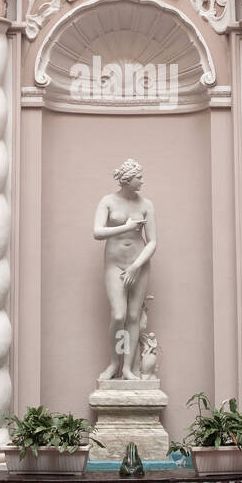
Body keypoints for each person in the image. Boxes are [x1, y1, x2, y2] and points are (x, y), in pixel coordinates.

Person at [93, 159, 157, 380]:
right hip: (115, 264)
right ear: (128, 180)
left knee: (132, 315)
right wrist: (127, 227)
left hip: (138, 265)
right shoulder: (108, 201)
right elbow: (97, 232)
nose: (142, 181)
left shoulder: (146, 204)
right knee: (118, 314)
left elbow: (152, 242)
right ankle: (113, 363)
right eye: (139, 177)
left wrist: (136, 266)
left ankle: (128, 368)